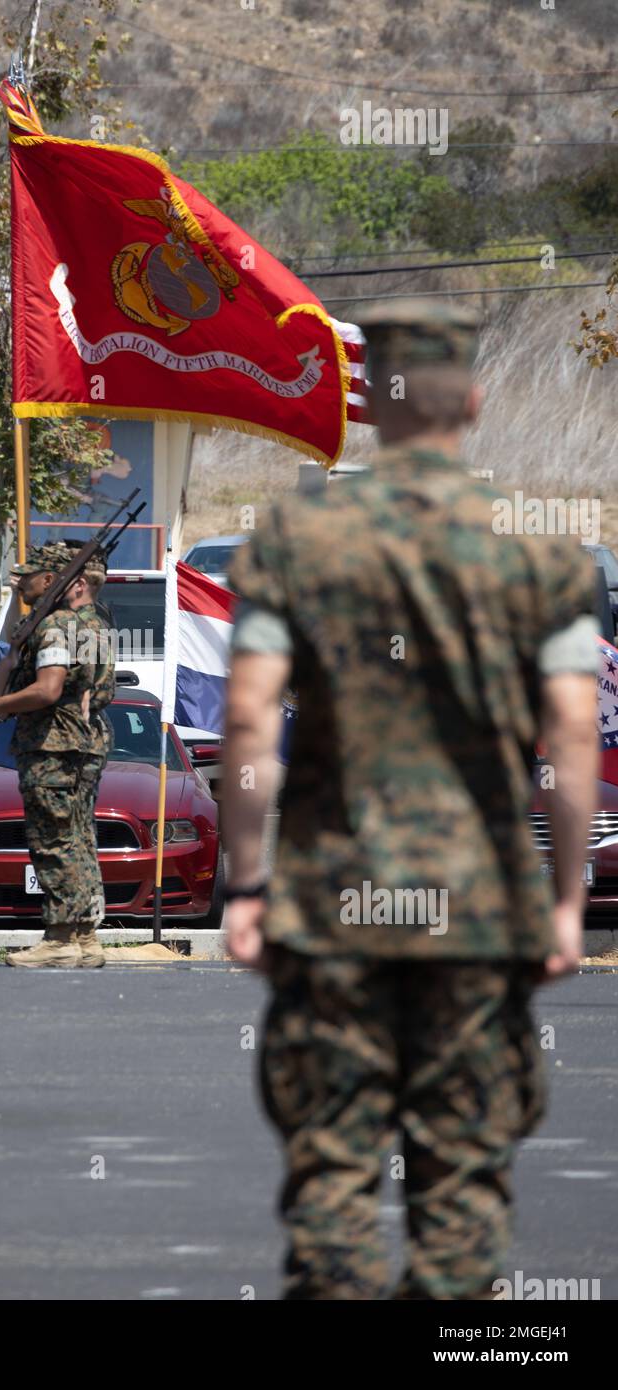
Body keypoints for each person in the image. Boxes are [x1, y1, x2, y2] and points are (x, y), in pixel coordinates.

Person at [220, 298, 600, 1300]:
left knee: (333, 1173)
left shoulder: (297, 540)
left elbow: (250, 717)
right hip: (476, 912)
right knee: (462, 1176)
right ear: (472, 400)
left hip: (330, 903)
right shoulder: (538, 554)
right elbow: (569, 734)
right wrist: (564, 901)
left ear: (369, 405)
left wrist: (247, 885)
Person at [0, 541, 114, 968]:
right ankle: (85, 937)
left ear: (51, 580)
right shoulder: (91, 626)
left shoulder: (55, 627)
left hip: (51, 744)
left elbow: (49, 689)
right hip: (79, 741)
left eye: (28, 574)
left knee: (53, 840)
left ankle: (59, 939)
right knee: (77, 838)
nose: (19, 581)